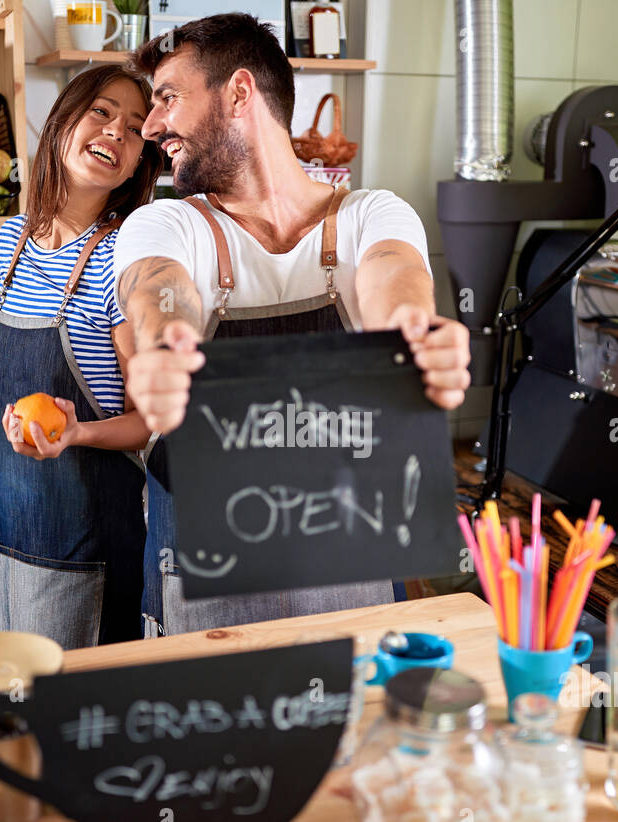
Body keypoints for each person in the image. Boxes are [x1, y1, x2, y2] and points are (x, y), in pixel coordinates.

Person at [114, 14, 472, 637]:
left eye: (168, 97)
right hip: (202, 579)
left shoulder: (370, 215)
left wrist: (412, 337)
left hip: (352, 561)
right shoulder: (166, 223)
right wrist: (160, 345)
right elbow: (157, 288)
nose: (150, 127)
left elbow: (395, 278)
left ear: (240, 93)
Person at [0, 64, 162, 649]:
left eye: (134, 129)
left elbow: (149, 421)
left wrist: (75, 434)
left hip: (89, 551)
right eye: (102, 112)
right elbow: (8, 417)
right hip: (9, 540)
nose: (115, 133)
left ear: (136, 165)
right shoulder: (13, 240)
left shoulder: (122, 258)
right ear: (62, 123)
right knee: (6, 720)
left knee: (67, 725)